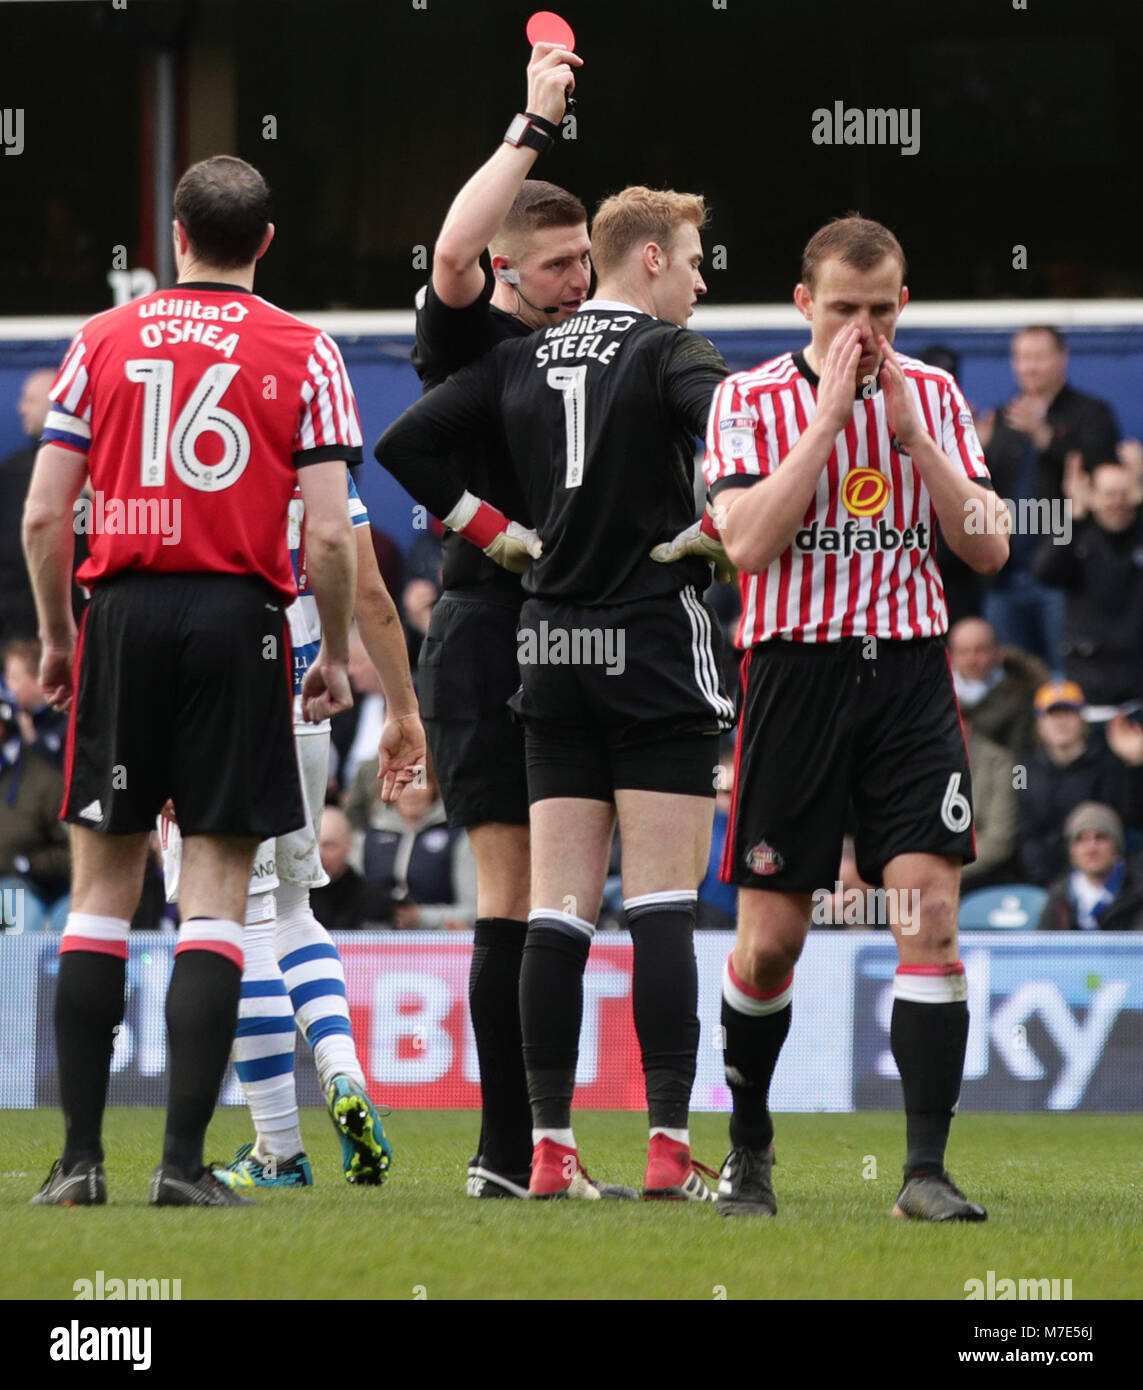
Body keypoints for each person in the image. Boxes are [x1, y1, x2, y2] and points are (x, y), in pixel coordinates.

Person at [378, 185, 735, 1202]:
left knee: (557, 913)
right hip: (652, 646)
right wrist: (724, 525)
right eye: (698, 259)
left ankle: (542, 1148)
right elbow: (737, 435)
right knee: (662, 902)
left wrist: (494, 531)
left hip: (546, 646)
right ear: (654, 260)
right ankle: (668, 1149)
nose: (704, 280)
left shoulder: (518, 358)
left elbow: (403, 445)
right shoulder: (672, 354)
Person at [23, 155, 358, 1207]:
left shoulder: (98, 341)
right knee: (216, 895)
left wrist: (57, 640)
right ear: (266, 242)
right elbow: (337, 536)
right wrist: (335, 655)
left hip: (120, 613)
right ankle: (181, 1166)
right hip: (238, 624)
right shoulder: (306, 350)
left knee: (99, 897)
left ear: (175, 233)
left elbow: (42, 515)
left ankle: (79, 1163)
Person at [707, 214, 1009, 1220]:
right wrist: (830, 419)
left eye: (881, 311)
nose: (864, 330)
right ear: (805, 304)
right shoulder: (747, 400)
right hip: (795, 676)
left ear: (904, 305)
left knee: (927, 913)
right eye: (844, 309)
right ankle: (749, 1153)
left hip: (910, 681)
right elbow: (744, 544)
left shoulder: (938, 396)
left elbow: (988, 548)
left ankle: (923, 1173)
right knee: (770, 943)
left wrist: (914, 433)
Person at [380, 41, 593, 1198]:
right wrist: (533, 123)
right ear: (511, 264)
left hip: (571, 632)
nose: (573, 281)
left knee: (562, 899)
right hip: (484, 632)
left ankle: (543, 1149)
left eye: (581, 263)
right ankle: (502, 1153)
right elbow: (456, 247)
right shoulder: (473, 334)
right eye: (554, 263)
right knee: (510, 892)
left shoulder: (586, 356)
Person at [161, 477, 425, 1190]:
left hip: (211, 709)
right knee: (293, 911)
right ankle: (341, 1070)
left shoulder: (195, 454)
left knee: (234, 917)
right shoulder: (319, 464)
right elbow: (371, 594)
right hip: (308, 707)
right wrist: (405, 707)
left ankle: (279, 1147)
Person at [977, 326, 1120, 668]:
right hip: (1006, 576)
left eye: (1039, 357)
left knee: (1067, 675)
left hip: (1064, 576)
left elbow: (1103, 482)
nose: (1030, 367)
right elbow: (983, 492)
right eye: (1023, 358)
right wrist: (979, 451)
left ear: (1063, 358)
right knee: (1015, 679)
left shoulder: (1091, 413)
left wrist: (1046, 437)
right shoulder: (1003, 417)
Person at [1035, 463, 1143, 705]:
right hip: (1090, 678)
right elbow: (1045, 572)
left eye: (1124, 494)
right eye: (1109, 494)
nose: (1117, 502)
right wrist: (1074, 515)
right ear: (1093, 497)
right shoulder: (1077, 534)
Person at [1018, 680, 1143, 887]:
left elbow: (1130, 816)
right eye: (1052, 715)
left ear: (1083, 720)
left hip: (1099, 875)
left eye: (1068, 713)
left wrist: (1135, 764)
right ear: (1038, 724)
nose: (1060, 722)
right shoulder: (1020, 769)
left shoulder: (1108, 763)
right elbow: (1021, 826)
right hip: (1039, 879)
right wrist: (1040, 878)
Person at [0, 368, 55, 645]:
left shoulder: (89, 470)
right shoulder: (12, 470)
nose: (21, 408)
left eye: (30, 400)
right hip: (15, 623)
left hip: (64, 617)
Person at [947, 617, 1048, 759]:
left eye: (980, 650)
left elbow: (1020, 755)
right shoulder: (939, 696)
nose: (972, 659)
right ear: (951, 655)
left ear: (998, 652)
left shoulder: (1021, 692)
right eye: (963, 651)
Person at [1038, 802, 1143, 931]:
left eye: (1100, 838)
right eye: (1081, 839)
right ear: (1072, 851)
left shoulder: (1137, 894)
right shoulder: (1059, 897)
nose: (1091, 848)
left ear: (1117, 846)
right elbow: (1043, 946)